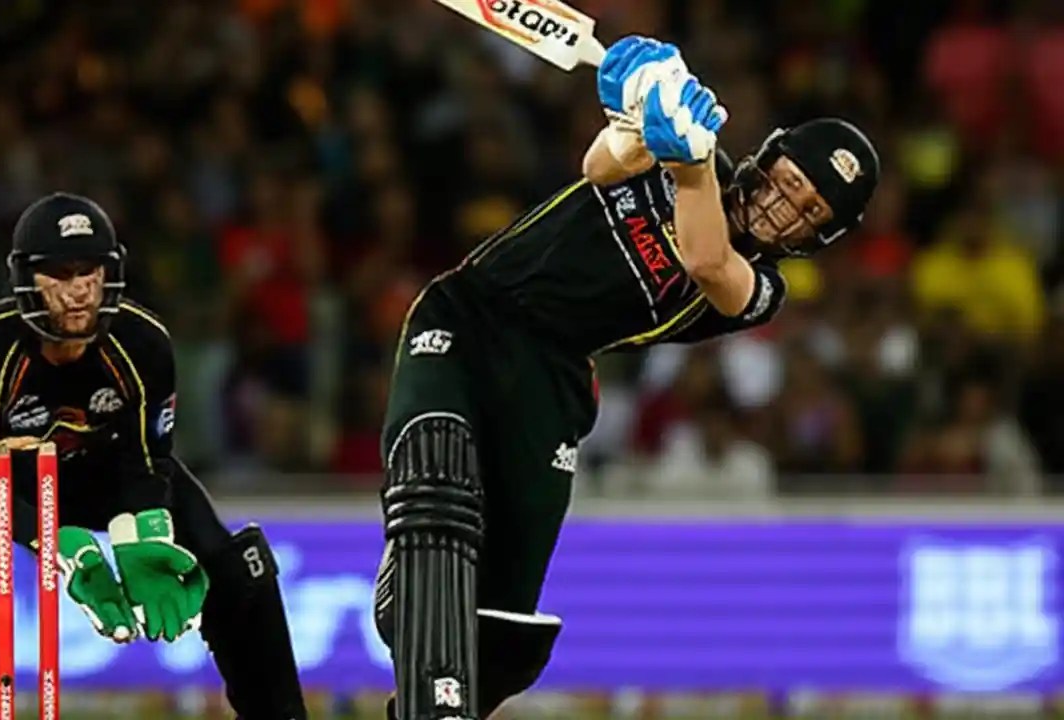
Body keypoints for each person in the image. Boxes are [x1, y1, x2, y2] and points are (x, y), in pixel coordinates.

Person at [373, 36, 879, 719]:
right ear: (767, 160)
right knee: (437, 463)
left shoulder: (760, 288)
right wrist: (640, 111)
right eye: (790, 184)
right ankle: (406, 582)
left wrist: (690, 159)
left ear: (818, 238)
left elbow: (706, 260)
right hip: (471, 315)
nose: (786, 209)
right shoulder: (686, 158)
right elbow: (601, 164)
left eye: (810, 211)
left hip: (552, 377)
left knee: (506, 629)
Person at [0, 193, 308, 719]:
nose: (79, 292)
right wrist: (67, 549)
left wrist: (143, 538)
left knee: (237, 566)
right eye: (59, 274)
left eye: (90, 272)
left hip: (107, 470)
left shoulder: (143, 345)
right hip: (4, 483)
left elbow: (147, 465)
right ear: (27, 280)